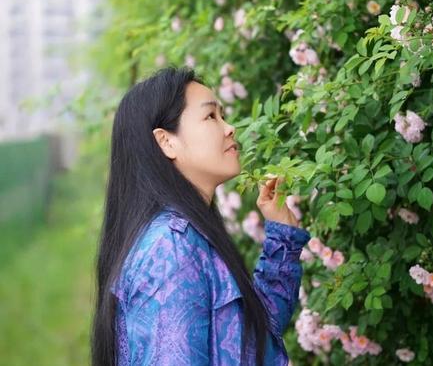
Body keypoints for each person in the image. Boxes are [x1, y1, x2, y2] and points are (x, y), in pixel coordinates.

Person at [91, 66, 311, 365]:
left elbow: (252, 339)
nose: (229, 127)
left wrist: (282, 236)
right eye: (211, 116)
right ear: (167, 142)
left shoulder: (189, 234)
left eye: (222, 115)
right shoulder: (170, 249)